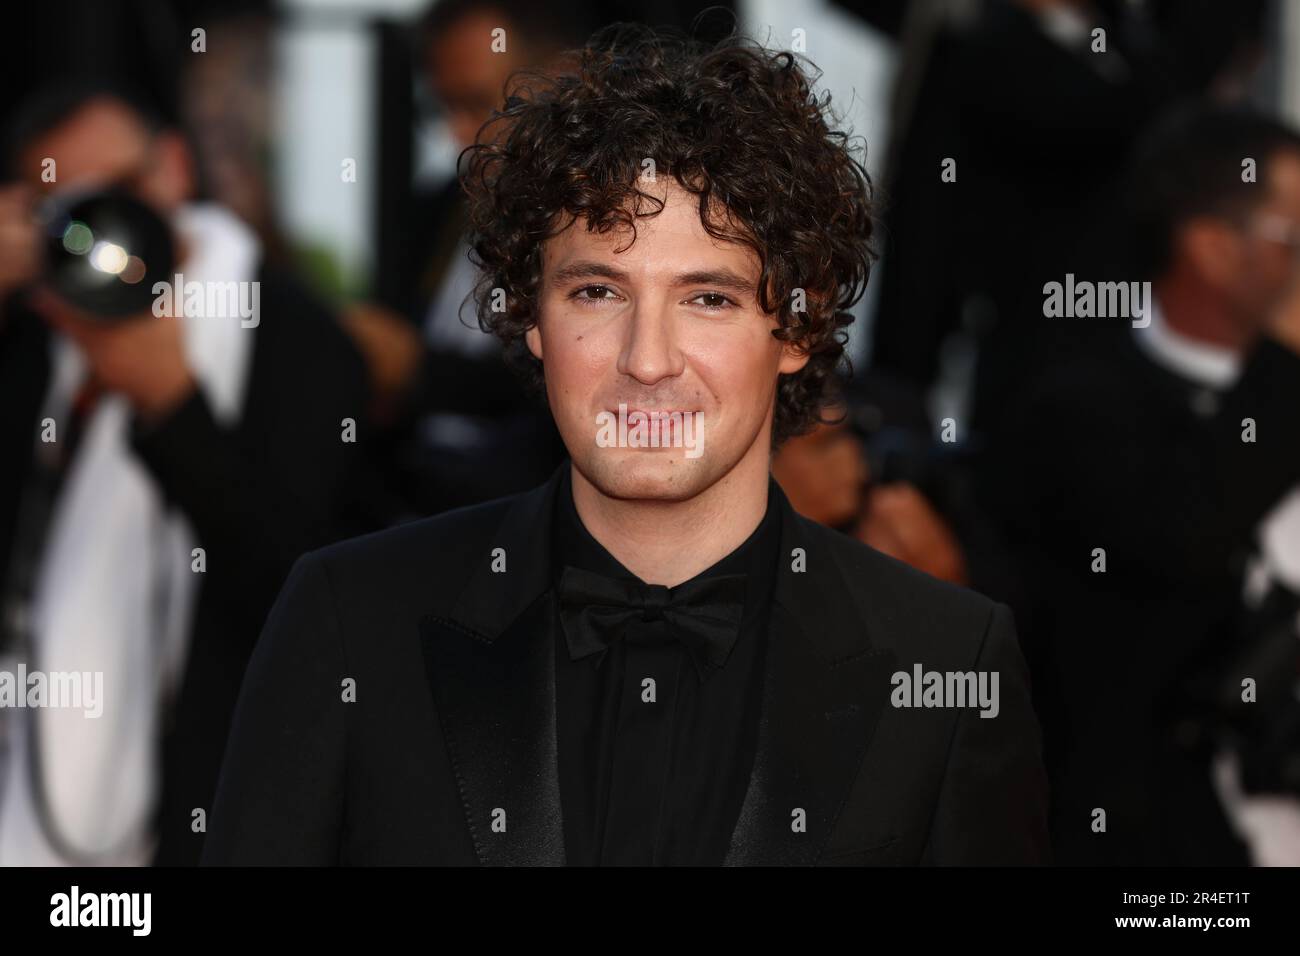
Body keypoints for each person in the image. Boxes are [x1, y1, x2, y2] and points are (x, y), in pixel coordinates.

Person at [202, 26, 1048, 866]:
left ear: (795, 325)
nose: (647, 360)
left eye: (708, 299)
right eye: (598, 291)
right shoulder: (349, 619)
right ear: (532, 316)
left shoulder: (944, 660)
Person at [0, 81, 371, 866]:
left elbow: (301, 590)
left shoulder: (290, 333)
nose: (104, 232)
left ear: (173, 166)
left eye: (123, 193)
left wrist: (173, 409)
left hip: (199, 803)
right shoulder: (35, 335)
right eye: (68, 214)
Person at [986, 106, 1300, 864]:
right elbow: (1188, 532)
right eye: (1293, 239)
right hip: (1145, 839)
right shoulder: (1077, 409)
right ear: (1213, 249)